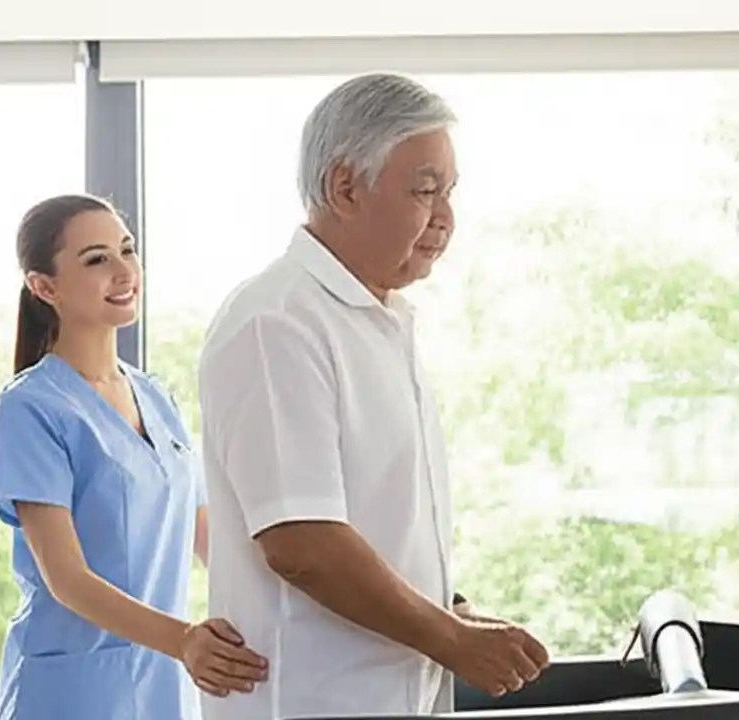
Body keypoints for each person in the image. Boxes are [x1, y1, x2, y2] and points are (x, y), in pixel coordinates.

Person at [197, 73, 550, 720]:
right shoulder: (277, 322)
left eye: (449, 192)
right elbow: (302, 543)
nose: (445, 218)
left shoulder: (380, 322)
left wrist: (451, 612)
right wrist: (450, 640)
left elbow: (380, 520)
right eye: (424, 190)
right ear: (345, 188)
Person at [0, 194, 269, 720]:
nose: (124, 271)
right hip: (71, 696)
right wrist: (184, 640)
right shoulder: (28, 409)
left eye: (127, 250)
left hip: (163, 690)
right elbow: (66, 579)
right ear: (44, 287)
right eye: (97, 259)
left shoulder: (156, 398)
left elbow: (211, 539)